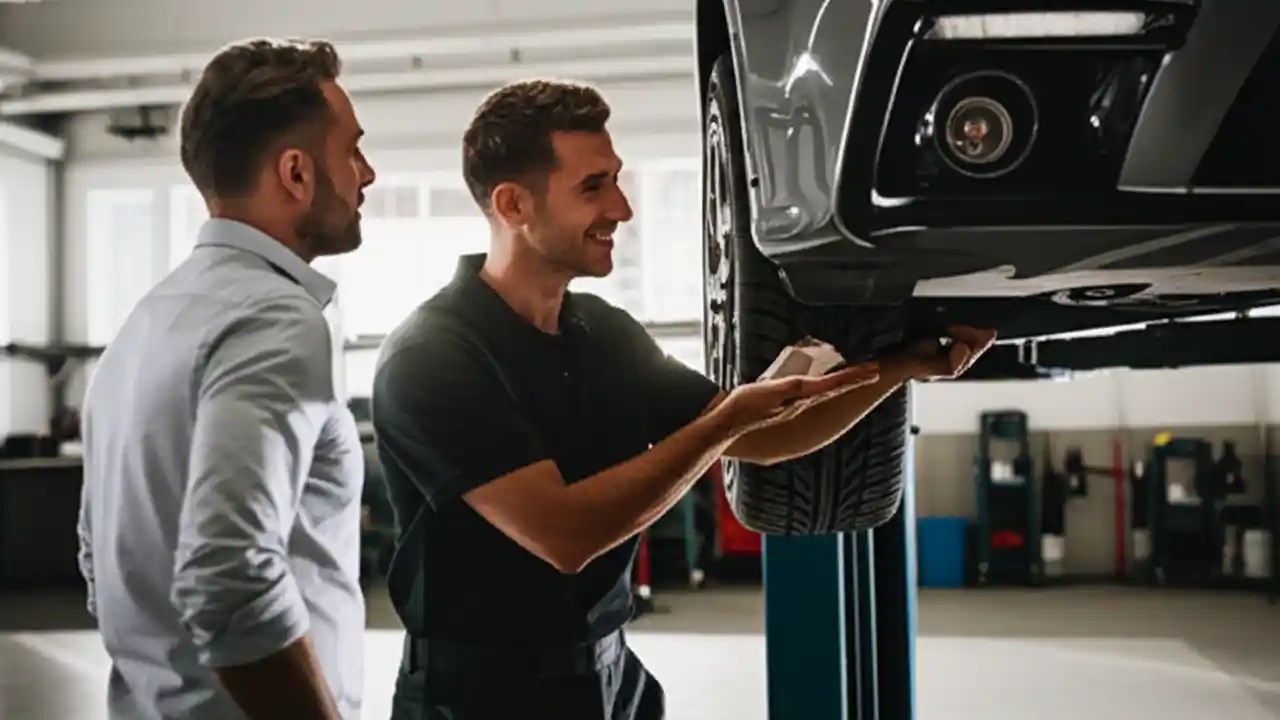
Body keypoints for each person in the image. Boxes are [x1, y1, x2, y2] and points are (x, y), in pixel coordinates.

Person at [370, 79, 995, 719]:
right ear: (513, 205)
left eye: (616, 179)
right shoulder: (433, 356)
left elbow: (765, 437)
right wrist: (721, 427)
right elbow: (567, 534)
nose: (622, 208)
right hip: (482, 698)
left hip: (610, 673)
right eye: (593, 187)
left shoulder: (603, 332)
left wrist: (901, 367)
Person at [76, 38, 376, 720]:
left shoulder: (147, 320)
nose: (368, 172)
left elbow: (102, 561)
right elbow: (229, 576)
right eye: (352, 149)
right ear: (296, 172)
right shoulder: (274, 317)